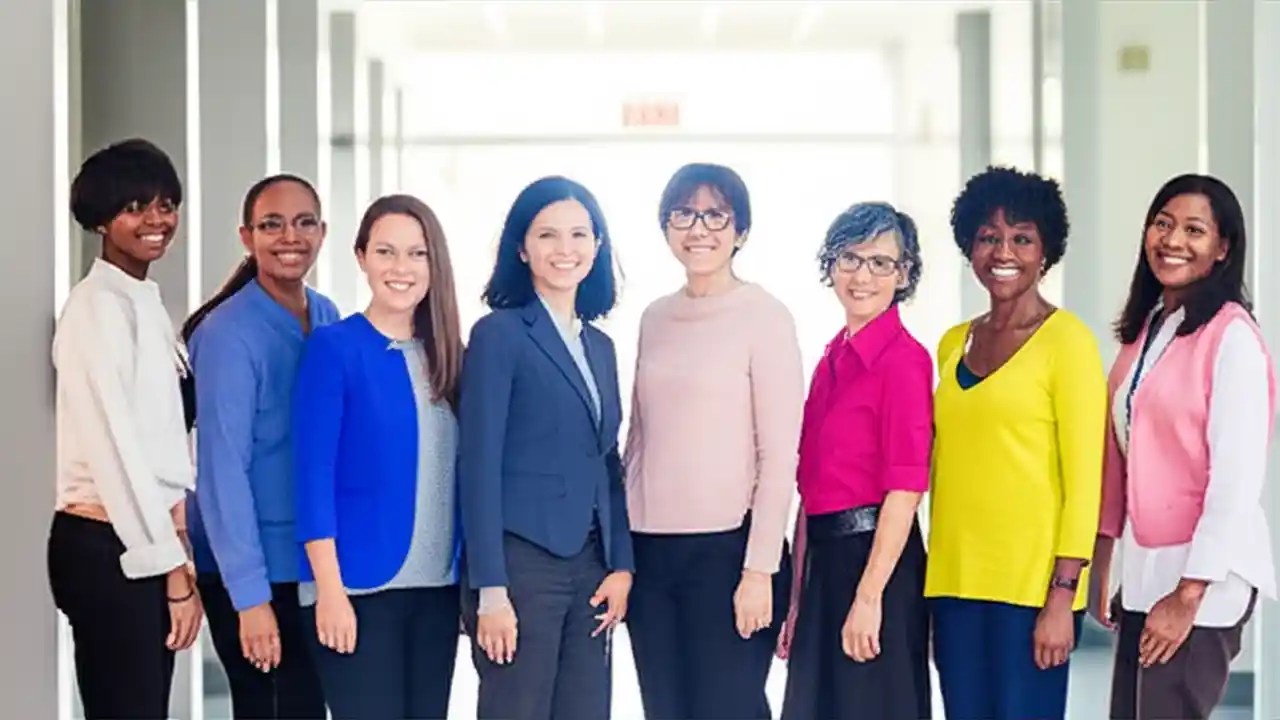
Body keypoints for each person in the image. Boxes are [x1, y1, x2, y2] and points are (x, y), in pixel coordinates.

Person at [1089, 174, 1276, 720]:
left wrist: (1188, 595)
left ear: (1222, 249)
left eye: (1194, 230)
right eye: (1164, 224)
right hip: (1148, 575)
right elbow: (1121, 454)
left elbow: (1235, 483)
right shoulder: (1153, 325)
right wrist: (1107, 562)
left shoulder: (1232, 337)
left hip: (1201, 586)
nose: (1172, 240)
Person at [927, 166, 1107, 720]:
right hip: (955, 584)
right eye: (988, 236)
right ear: (969, 247)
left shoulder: (1068, 343)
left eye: (1021, 237)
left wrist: (1063, 594)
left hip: (1032, 592)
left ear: (1045, 251)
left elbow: (1085, 482)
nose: (1003, 251)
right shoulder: (953, 344)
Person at [624, 162, 801, 720]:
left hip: (730, 554)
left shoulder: (765, 316)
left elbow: (779, 458)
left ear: (740, 230)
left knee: (729, 708)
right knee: (665, 710)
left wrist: (759, 571)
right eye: (683, 213)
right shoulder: (654, 317)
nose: (698, 228)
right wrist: (622, 558)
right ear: (666, 226)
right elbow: (638, 441)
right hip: (651, 555)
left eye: (715, 215)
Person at [458, 176, 634, 720]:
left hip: (590, 568)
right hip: (521, 568)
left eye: (580, 234)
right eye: (548, 235)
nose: (566, 250)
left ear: (598, 245)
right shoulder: (499, 335)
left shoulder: (600, 346)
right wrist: (491, 590)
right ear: (522, 247)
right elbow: (478, 466)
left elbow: (607, 463)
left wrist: (621, 564)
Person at [49, 138, 203, 719]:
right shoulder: (95, 309)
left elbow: (158, 440)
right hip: (107, 545)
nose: (156, 220)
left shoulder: (141, 300)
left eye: (166, 204)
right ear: (100, 218)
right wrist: (173, 574)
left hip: (140, 539)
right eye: (135, 207)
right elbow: (117, 454)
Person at [293, 195, 464, 719]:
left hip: (437, 589)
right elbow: (311, 477)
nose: (401, 268)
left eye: (416, 254)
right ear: (361, 257)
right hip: (356, 588)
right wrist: (329, 589)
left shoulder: (450, 355)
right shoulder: (334, 347)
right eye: (386, 251)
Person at [183, 174, 338, 719]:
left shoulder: (327, 317)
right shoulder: (228, 334)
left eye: (303, 223)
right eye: (271, 224)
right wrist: (249, 598)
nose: (288, 237)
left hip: (310, 567)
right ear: (247, 237)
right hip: (252, 573)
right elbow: (222, 472)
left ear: (323, 233)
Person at [778, 202, 932, 719]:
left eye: (881, 262)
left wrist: (869, 598)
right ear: (831, 265)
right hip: (824, 565)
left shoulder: (905, 361)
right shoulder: (829, 360)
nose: (863, 275)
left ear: (903, 273)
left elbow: (905, 490)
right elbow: (811, 493)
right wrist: (798, 598)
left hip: (877, 564)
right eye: (850, 258)